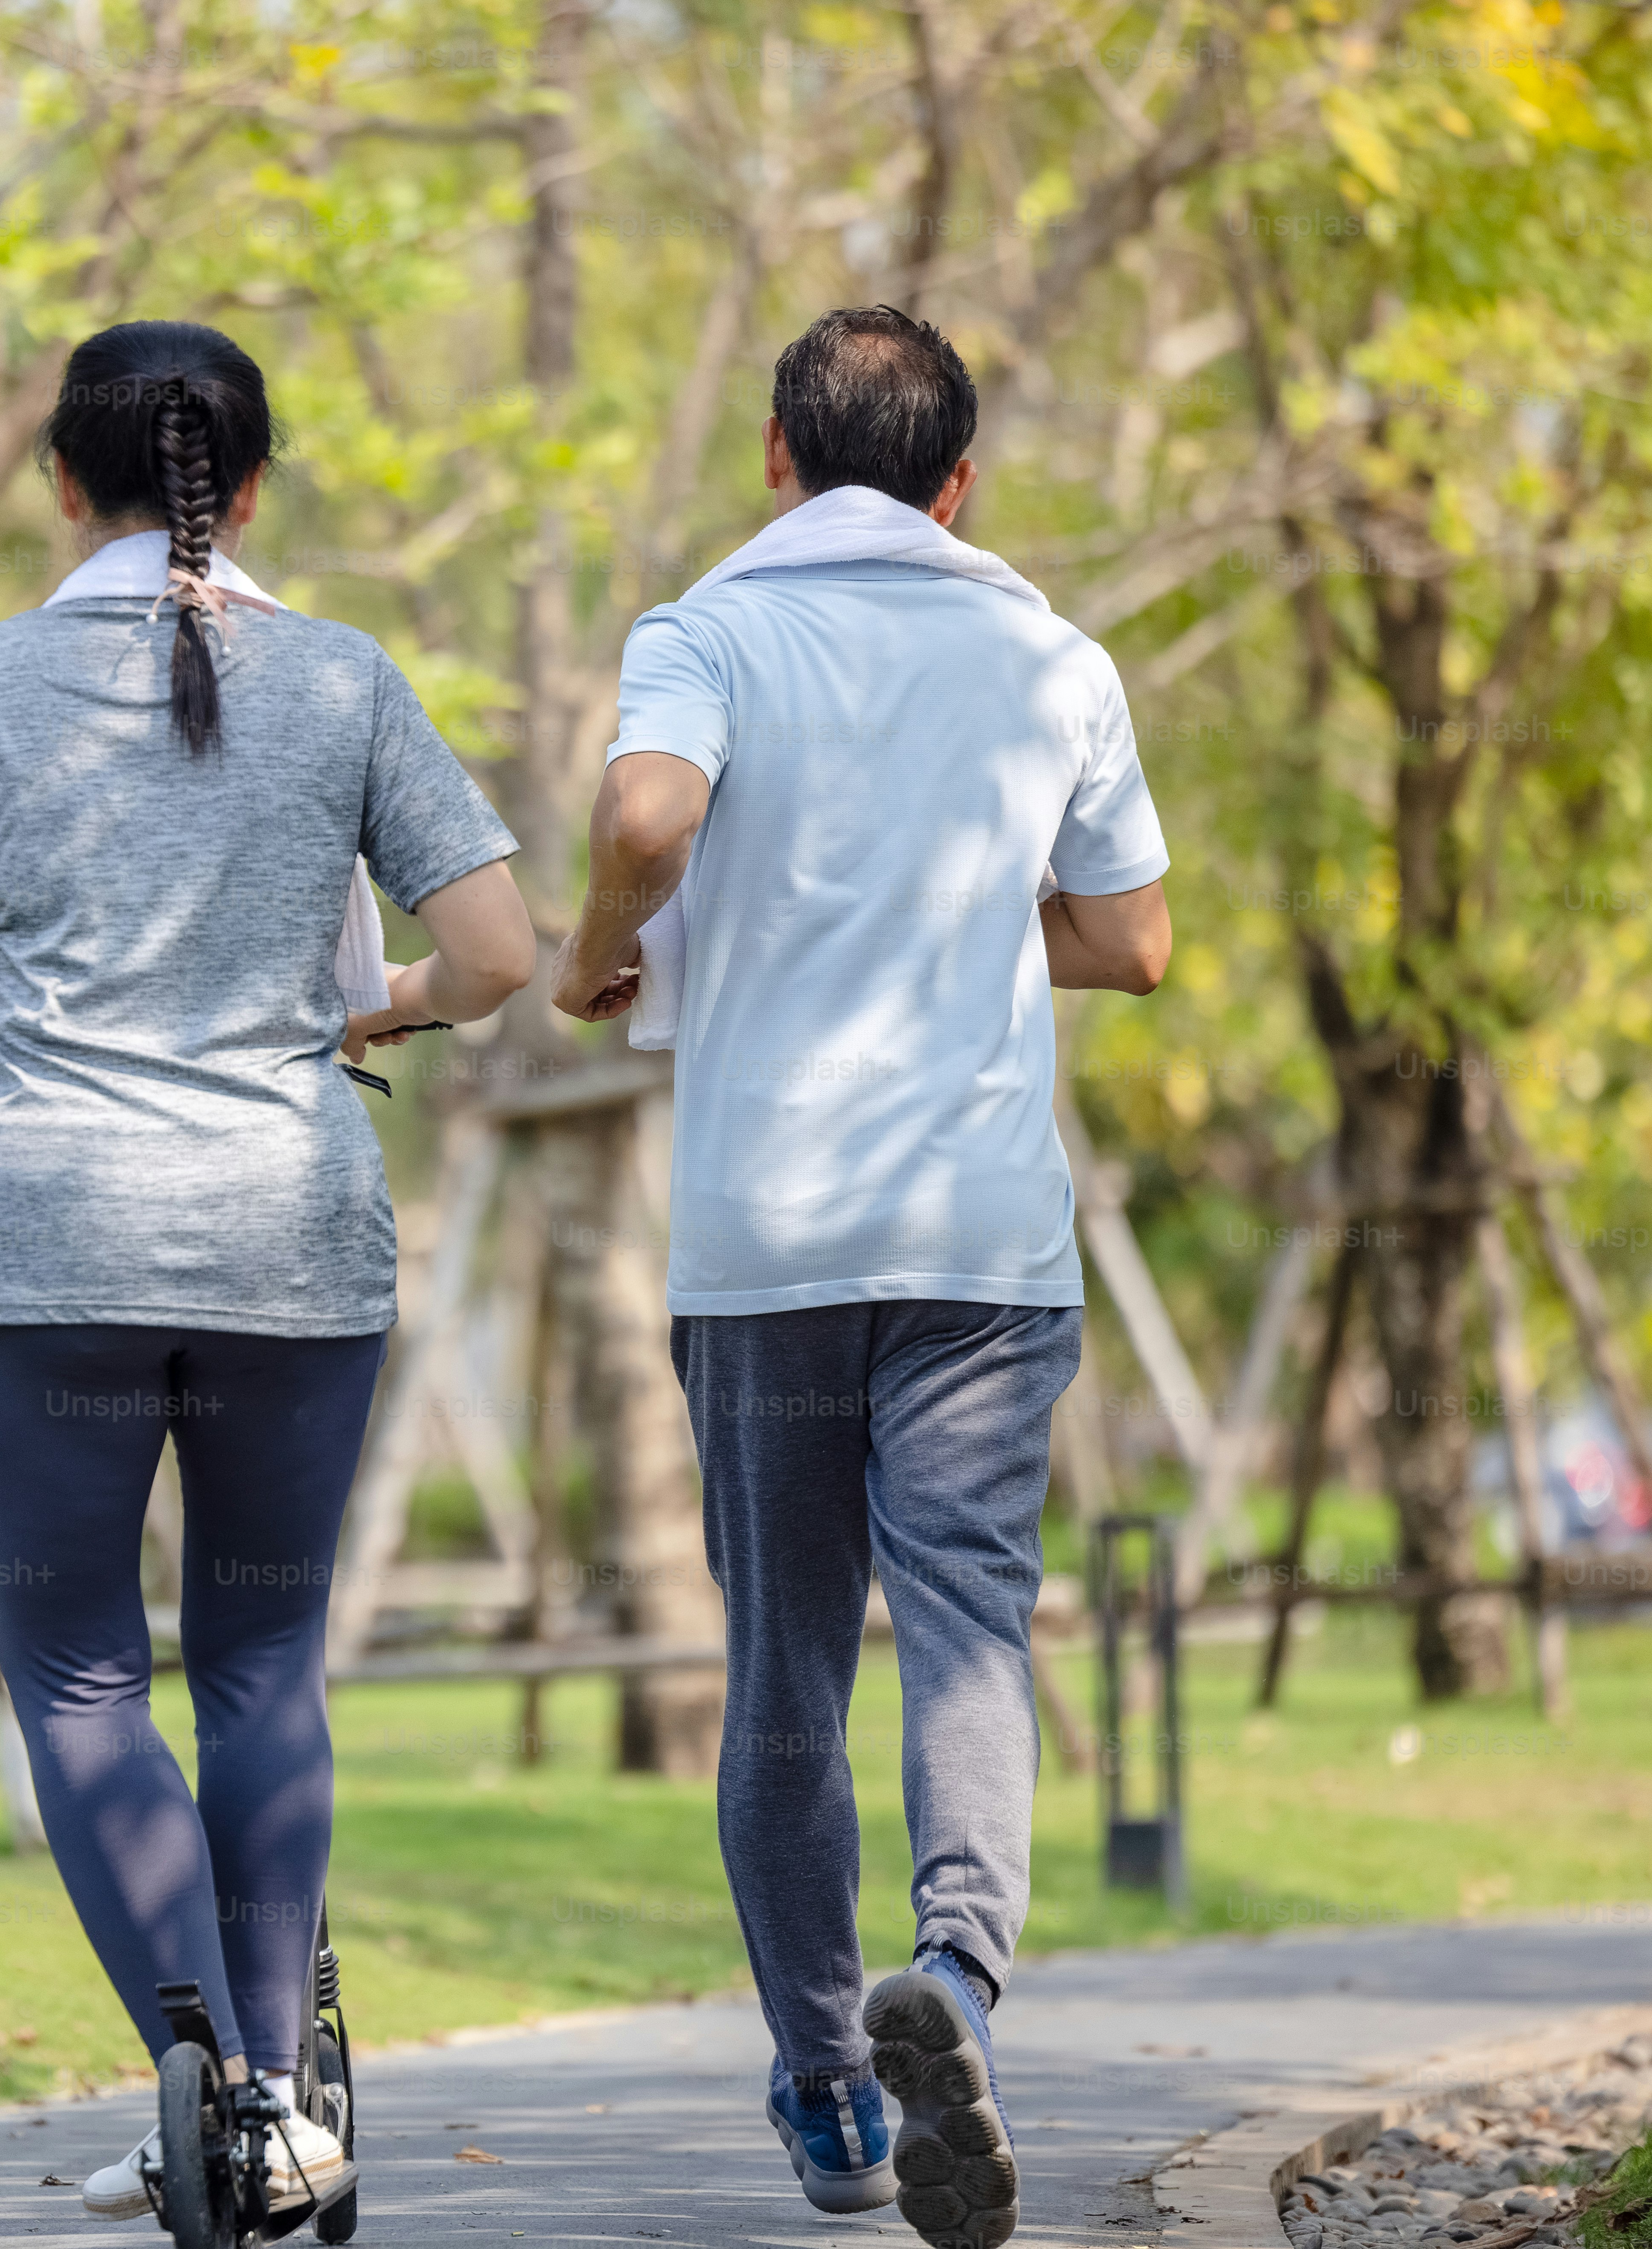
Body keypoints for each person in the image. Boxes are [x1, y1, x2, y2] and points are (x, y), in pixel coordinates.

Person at [0, 318, 536, 2225]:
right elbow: (496, 946)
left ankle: (227, 2086)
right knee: (255, 1660)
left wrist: (68, 1010)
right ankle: (273, 2092)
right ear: (246, 488)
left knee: (76, 1676)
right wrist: (360, 1008)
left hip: (49, 1244)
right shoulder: (343, 681)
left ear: (58, 485)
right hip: (285, 1240)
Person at [547, 305, 1172, 2249]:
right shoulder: (1047, 654)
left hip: (767, 1248)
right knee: (971, 1621)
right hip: (977, 1245)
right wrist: (958, 929)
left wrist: (596, 946)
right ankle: (956, 1985)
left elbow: (650, 816)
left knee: (789, 1669)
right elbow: (1133, 944)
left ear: (770, 452)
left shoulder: (706, 630)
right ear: (957, 481)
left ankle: (827, 2087)